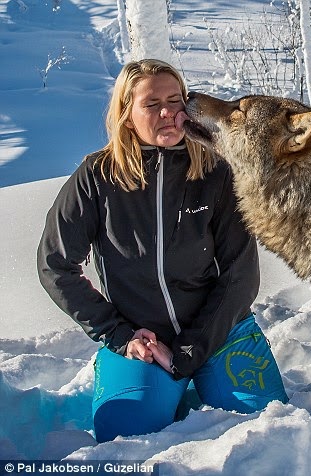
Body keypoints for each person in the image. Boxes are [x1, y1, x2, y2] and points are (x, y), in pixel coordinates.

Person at [37, 59, 287, 443]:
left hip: (220, 333)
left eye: (175, 100)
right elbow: (56, 265)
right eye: (152, 104)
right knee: (126, 437)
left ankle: (194, 381)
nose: (169, 112)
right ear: (126, 114)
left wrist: (190, 350)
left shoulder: (216, 172)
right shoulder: (96, 178)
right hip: (143, 343)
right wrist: (120, 335)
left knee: (268, 431)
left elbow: (240, 275)